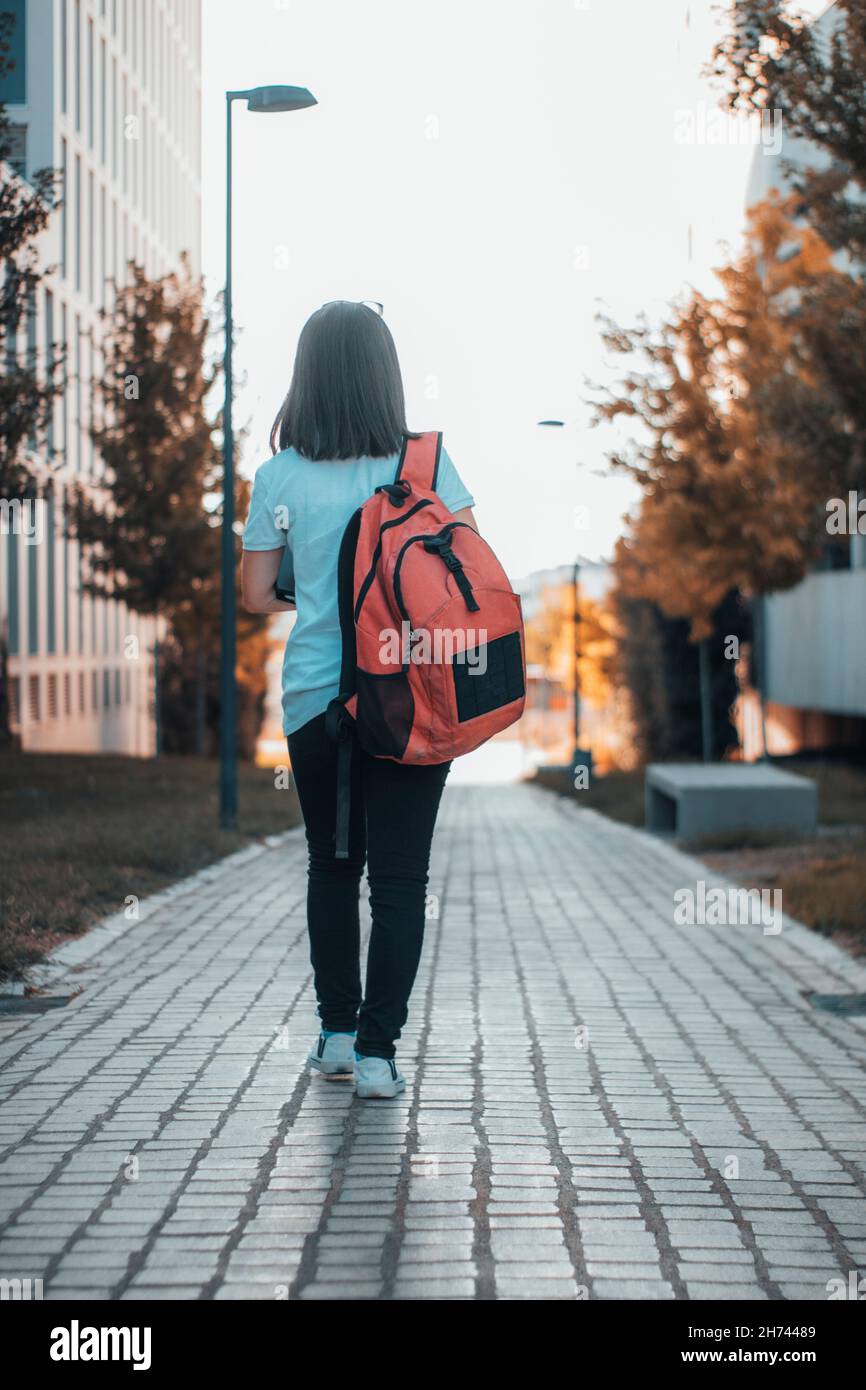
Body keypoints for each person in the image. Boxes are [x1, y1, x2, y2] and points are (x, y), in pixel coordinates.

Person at [241, 300, 477, 1098]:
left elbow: (250, 594)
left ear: (306, 377)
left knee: (334, 868)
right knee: (403, 881)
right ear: (385, 375)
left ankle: (336, 1036)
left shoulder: (278, 477)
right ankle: (380, 1056)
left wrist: (312, 592)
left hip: (316, 699)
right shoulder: (427, 466)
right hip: (412, 693)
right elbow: (465, 580)